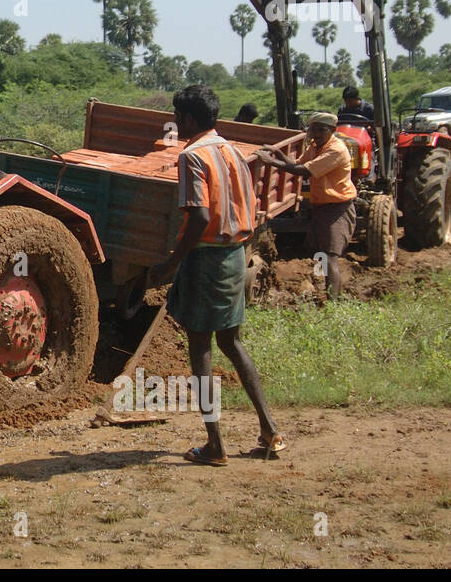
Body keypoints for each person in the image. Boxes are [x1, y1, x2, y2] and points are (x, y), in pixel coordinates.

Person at [148, 85, 282, 466]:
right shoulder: (231, 151)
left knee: (200, 348)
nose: (175, 122)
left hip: (207, 259)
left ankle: (215, 445)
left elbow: (200, 217)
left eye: (177, 116)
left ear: (189, 120)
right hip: (235, 255)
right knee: (233, 343)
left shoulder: (192, 155)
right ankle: (270, 431)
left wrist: (170, 264)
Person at [257, 111, 357, 300]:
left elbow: (304, 171)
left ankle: (333, 302)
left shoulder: (335, 150)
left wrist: (272, 161)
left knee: (330, 256)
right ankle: (325, 291)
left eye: (322, 130)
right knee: (320, 253)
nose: (316, 134)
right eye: (313, 129)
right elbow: (296, 163)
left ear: (332, 131)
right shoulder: (315, 146)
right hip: (321, 207)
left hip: (337, 209)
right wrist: (278, 153)